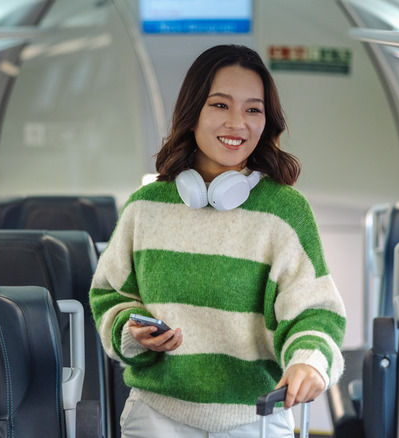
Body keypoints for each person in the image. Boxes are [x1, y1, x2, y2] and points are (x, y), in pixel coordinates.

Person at [89, 44, 346, 437]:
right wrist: (131, 330)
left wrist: (309, 361)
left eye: (253, 109)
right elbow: (110, 296)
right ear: (193, 114)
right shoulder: (145, 208)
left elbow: (315, 311)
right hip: (155, 419)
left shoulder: (284, 211)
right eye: (220, 105)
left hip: (254, 420)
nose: (237, 123)